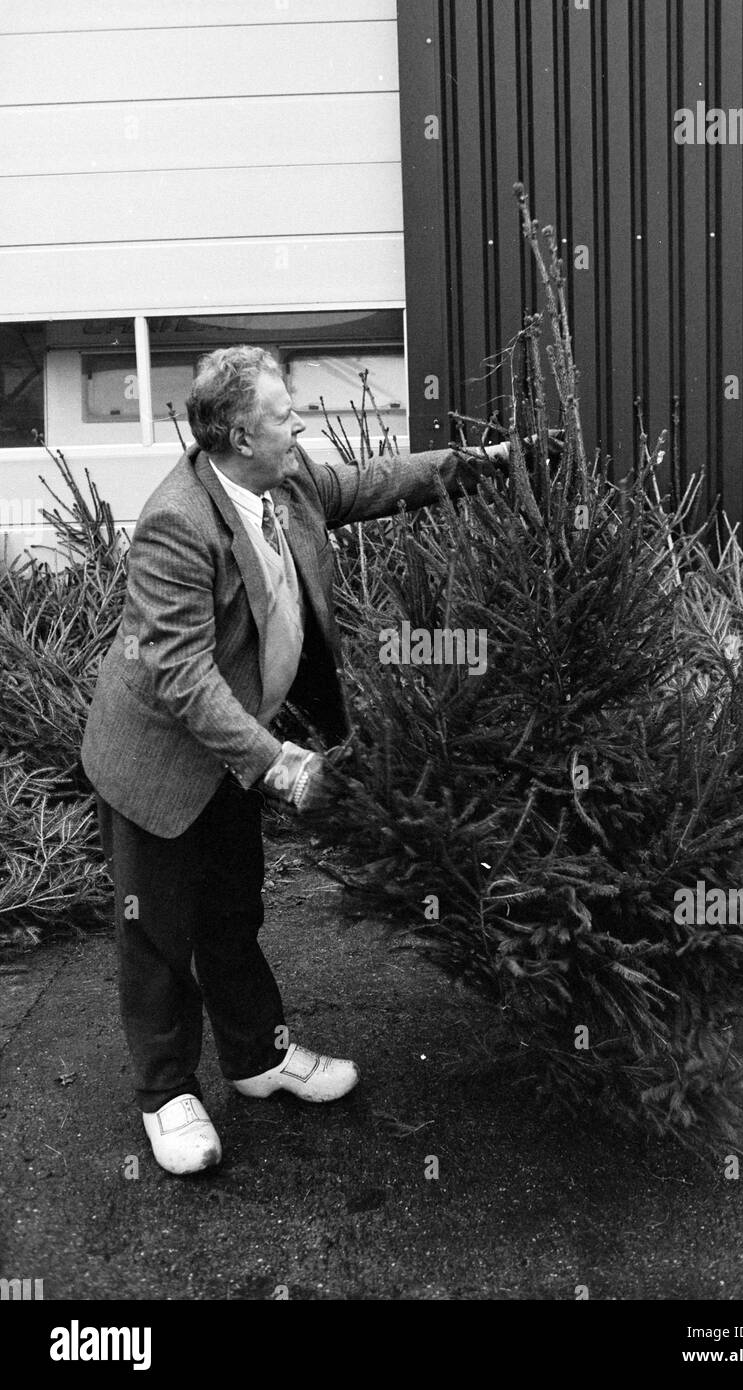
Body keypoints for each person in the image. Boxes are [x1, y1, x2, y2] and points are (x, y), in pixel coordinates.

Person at [81, 344, 511, 1176]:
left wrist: (487, 465)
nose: (301, 426)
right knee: (159, 933)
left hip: (240, 744)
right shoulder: (179, 520)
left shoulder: (288, 481)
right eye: (286, 415)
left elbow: (378, 481)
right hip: (163, 763)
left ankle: (258, 1059)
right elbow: (182, 676)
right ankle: (165, 1096)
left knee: (232, 914)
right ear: (240, 432)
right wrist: (281, 763)